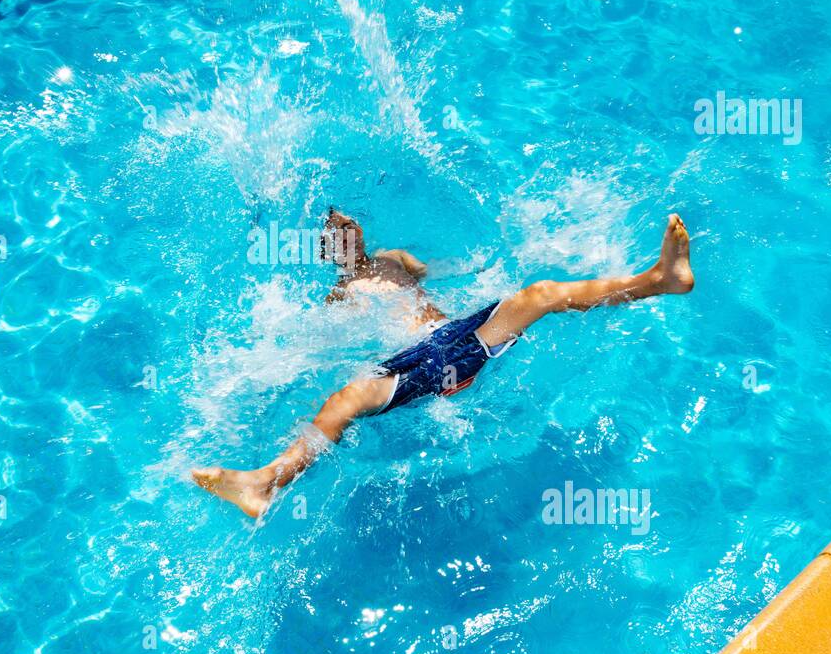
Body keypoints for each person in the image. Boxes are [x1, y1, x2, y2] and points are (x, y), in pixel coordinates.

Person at [193, 208, 694, 517]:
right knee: (347, 398)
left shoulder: (396, 259)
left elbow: (436, 275)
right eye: (331, 231)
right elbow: (324, 345)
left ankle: (657, 280)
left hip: (453, 339)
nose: (340, 227)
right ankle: (266, 481)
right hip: (414, 363)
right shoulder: (338, 295)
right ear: (328, 251)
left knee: (540, 294)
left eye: (345, 220)